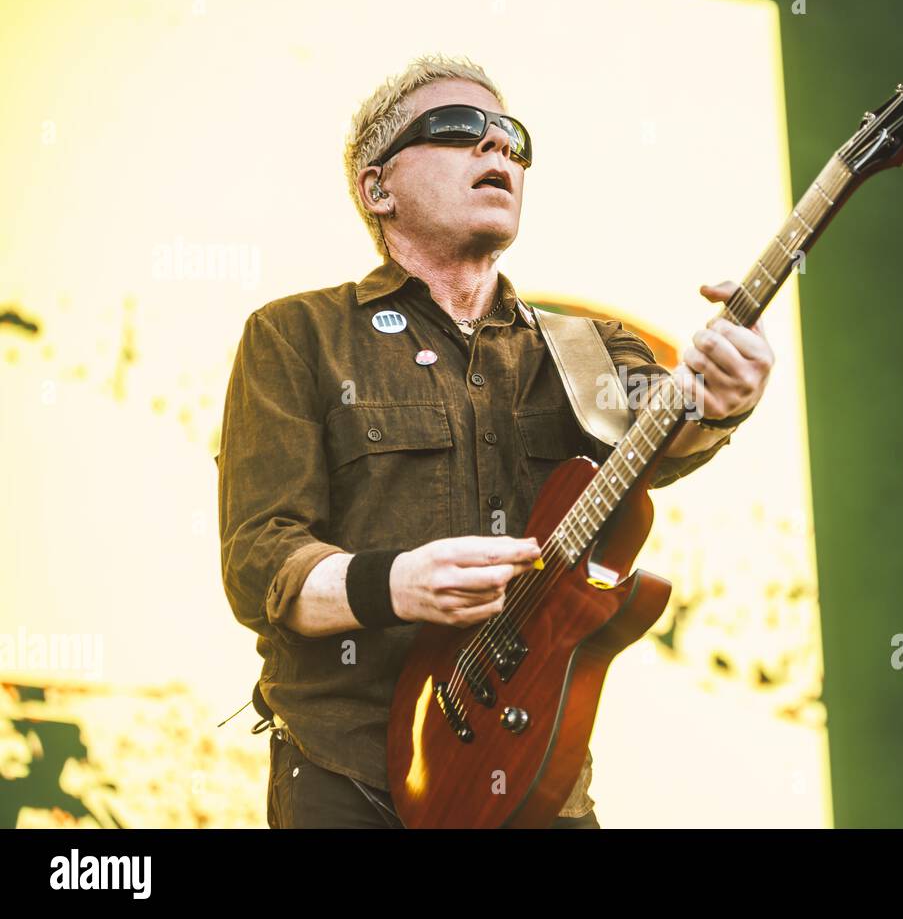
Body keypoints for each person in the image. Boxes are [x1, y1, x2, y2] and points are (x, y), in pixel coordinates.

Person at [217, 54, 774, 828]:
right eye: (459, 129)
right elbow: (259, 561)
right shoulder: (296, 335)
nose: (498, 150)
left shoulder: (587, 347)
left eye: (513, 140)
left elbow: (667, 424)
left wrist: (720, 401)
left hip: (535, 773)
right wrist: (396, 583)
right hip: (350, 773)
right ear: (378, 188)